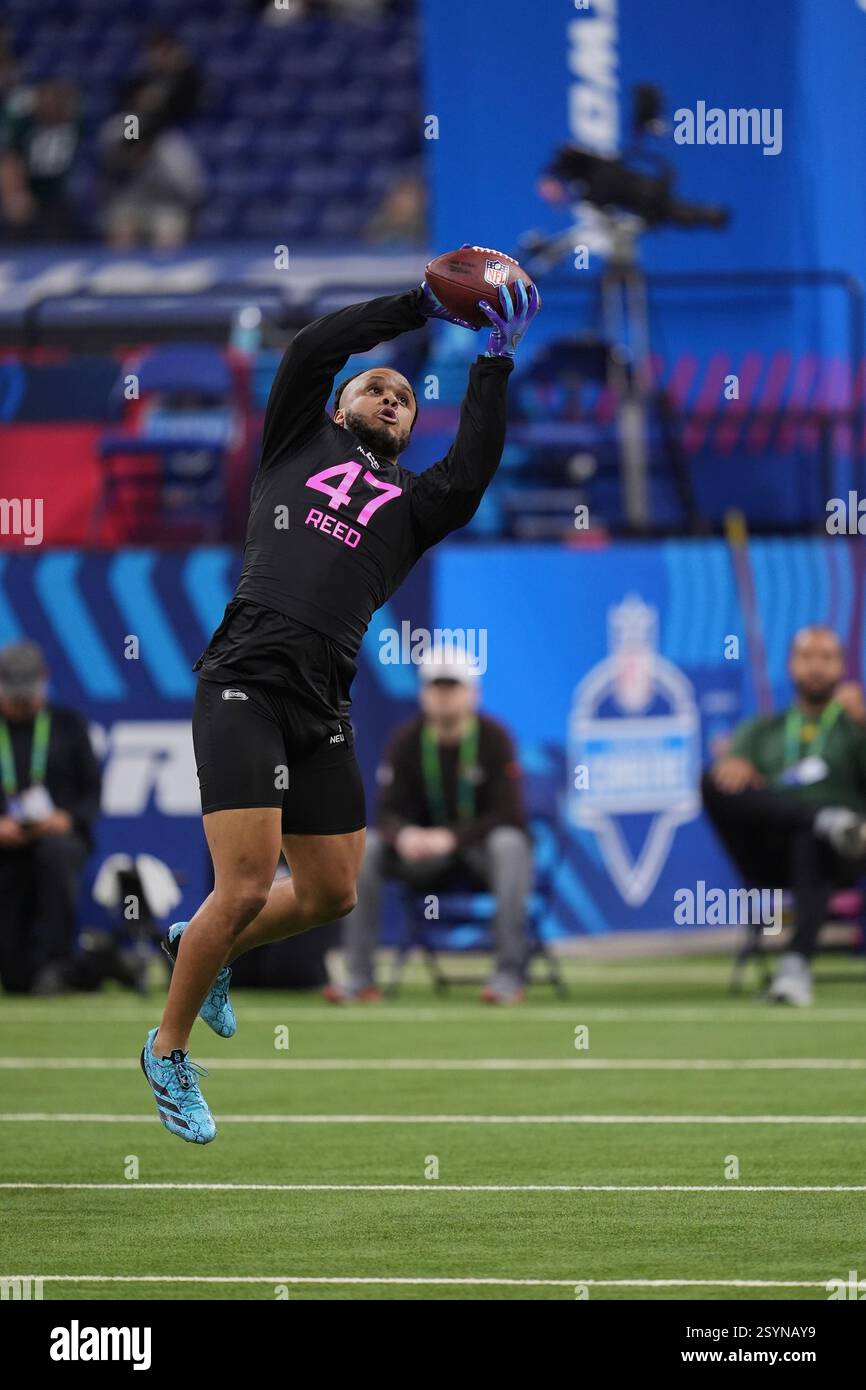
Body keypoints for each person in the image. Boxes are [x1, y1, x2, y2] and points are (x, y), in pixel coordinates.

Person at [140, 268, 540, 1143]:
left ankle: (197, 947)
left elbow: (469, 474)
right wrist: (417, 307)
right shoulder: (296, 440)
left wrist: (494, 362)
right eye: (376, 386)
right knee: (244, 885)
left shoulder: (413, 505)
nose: (391, 396)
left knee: (332, 892)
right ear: (339, 405)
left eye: (403, 396)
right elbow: (317, 348)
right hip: (244, 681)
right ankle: (166, 1051)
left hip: (323, 703)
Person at [323, 652, 532, 1004]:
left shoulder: (496, 738)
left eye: (453, 687)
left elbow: (508, 814)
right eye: (436, 687)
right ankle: (360, 977)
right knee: (370, 846)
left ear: (473, 693)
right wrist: (404, 835)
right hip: (422, 859)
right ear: (424, 694)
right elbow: (386, 811)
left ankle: (508, 977)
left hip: (479, 856)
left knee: (510, 844)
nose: (444, 695)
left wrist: (451, 838)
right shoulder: (407, 739)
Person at [702, 625, 866, 1006]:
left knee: (811, 840)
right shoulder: (761, 731)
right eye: (807, 657)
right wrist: (735, 764)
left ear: (842, 667)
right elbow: (729, 778)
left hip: (844, 854)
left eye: (826, 658)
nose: (816, 668)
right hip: (769, 853)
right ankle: (822, 820)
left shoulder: (854, 731)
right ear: (791, 665)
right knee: (711, 780)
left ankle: (795, 965)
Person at [0, 641, 101, 994]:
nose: (23, 704)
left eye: (29, 694)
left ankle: (55, 962)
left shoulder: (68, 725)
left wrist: (66, 818)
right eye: (15, 697)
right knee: (14, 978)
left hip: (58, 839)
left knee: (56, 852)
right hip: (6, 846)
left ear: (44, 680)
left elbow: (93, 793)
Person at [0, 80, 81, 242]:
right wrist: (15, 193)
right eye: (46, 100)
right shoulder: (22, 124)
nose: (51, 105)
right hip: (29, 190)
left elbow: (130, 126)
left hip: (58, 193)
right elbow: (9, 159)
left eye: (56, 101)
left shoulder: (75, 121)